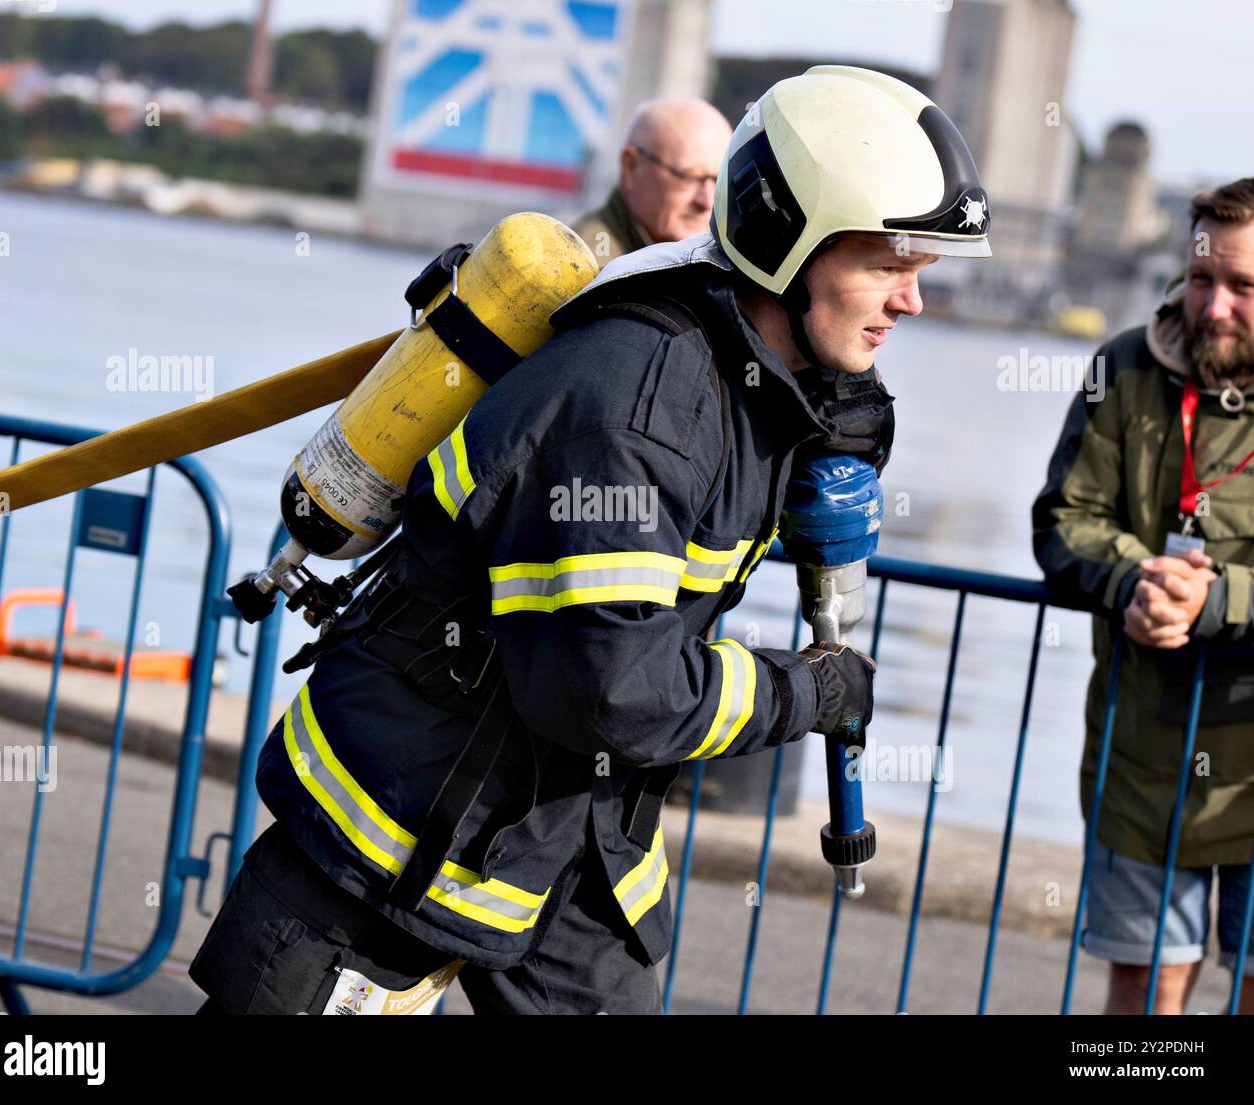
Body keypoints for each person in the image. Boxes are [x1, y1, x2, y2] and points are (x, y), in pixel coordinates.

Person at [189, 65, 991, 1015]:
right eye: (888, 266)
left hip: (561, 842)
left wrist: (826, 422)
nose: (912, 301)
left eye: (920, 272)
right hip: (397, 839)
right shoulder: (639, 403)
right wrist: (803, 689)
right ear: (787, 239)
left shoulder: (741, 370)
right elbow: (612, 687)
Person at [1033, 177, 1254, 1015]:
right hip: (1145, 753)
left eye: (1243, 287)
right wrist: (1135, 580)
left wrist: (1219, 601)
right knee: (1144, 996)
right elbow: (1064, 518)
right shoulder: (1124, 364)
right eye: (1202, 280)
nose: (1216, 307)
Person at [572, 98, 731, 267]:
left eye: (719, 181)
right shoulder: (587, 272)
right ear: (631, 166)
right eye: (688, 176)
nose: (707, 201)